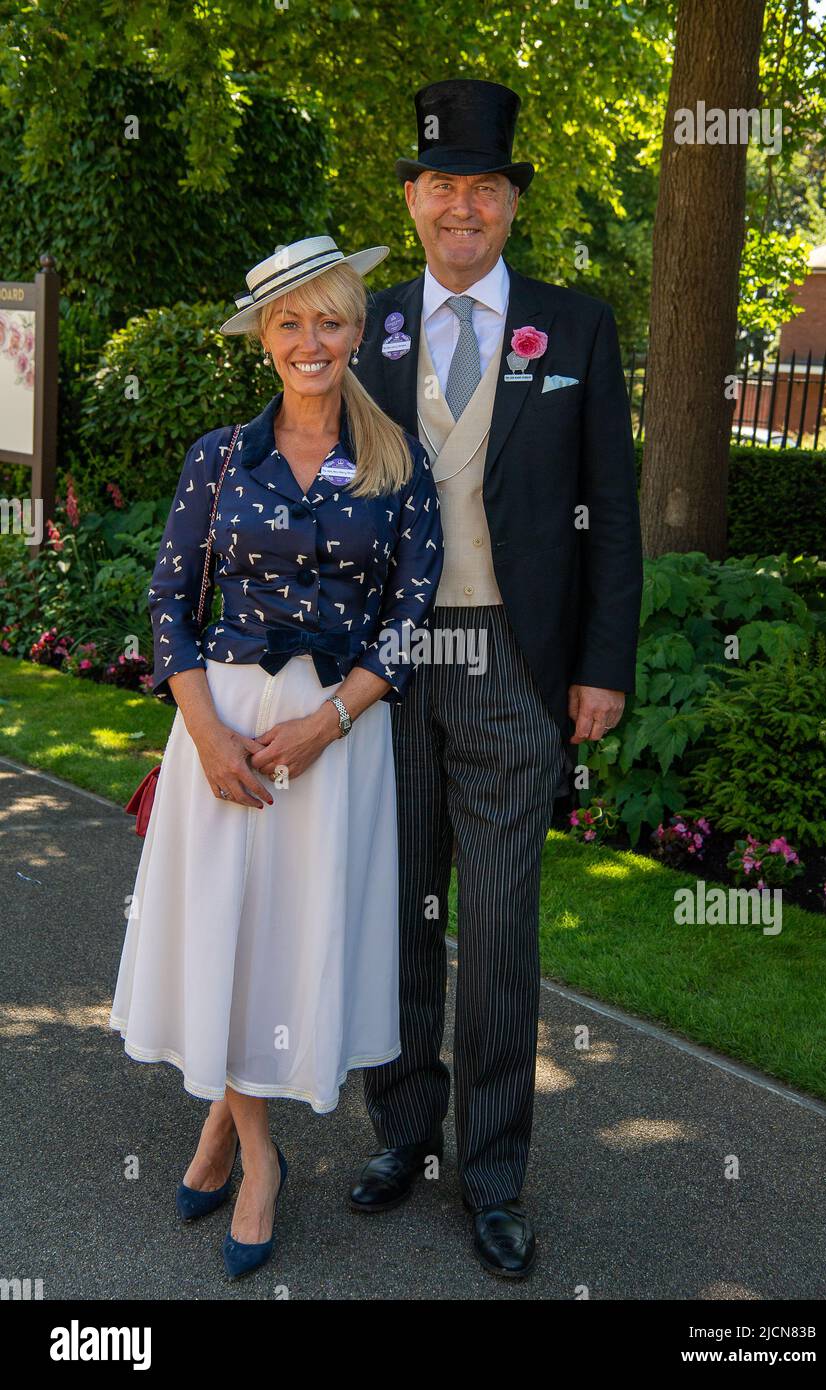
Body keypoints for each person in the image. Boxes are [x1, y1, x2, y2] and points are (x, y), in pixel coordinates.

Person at [349, 79, 644, 1279]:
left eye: (482, 187)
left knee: (502, 927)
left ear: (510, 203)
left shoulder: (574, 327)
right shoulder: (357, 324)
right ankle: (402, 1137)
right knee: (397, 912)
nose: (459, 207)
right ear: (412, 201)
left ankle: (492, 1174)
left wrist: (600, 665)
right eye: (438, 186)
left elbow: (611, 515)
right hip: (385, 670)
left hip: (514, 669)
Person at [109, 236, 443, 1280]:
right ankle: (258, 1151)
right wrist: (205, 733)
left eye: (329, 320)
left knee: (282, 944)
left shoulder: (396, 460)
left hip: (333, 737)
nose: (310, 341)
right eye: (288, 323)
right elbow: (169, 599)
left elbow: (410, 614)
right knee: (224, 933)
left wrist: (329, 721)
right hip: (224, 722)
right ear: (264, 337)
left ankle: (222, 1127)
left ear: (353, 331)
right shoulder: (218, 456)